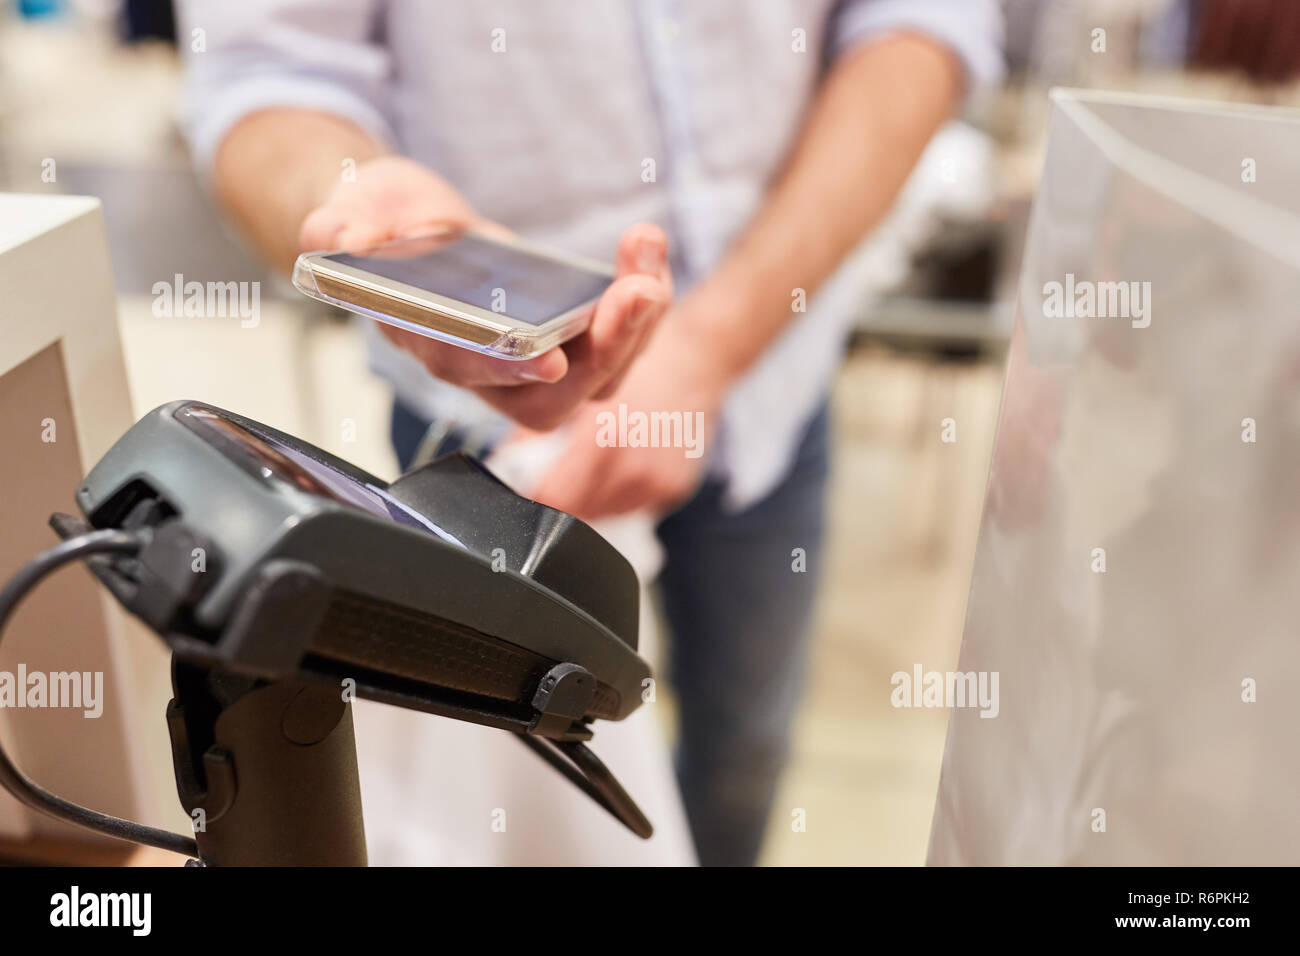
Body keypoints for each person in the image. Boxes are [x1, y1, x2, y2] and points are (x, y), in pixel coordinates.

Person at [177, 0, 1002, 866]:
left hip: (772, 384)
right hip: (486, 418)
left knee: (746, 744)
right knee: (510, 762)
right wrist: (356, 206)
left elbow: (921, 25)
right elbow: (267, 71)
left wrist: (709, 350)